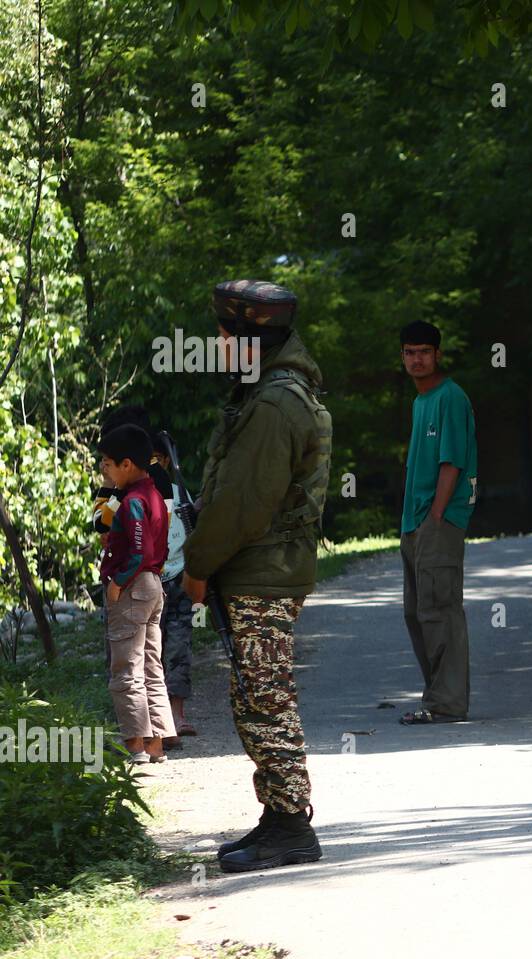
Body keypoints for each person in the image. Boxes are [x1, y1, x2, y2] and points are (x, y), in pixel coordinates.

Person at [181, 280, 332, 874]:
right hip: (259, 568)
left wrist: (197, 566)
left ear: (249, 339)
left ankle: (293, 825)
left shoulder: (273, 404)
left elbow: (243, 501)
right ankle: (277, 818)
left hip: (261, 571)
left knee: (266, 696)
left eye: (223, 335)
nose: (217, 345)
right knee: (253, 694)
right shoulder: (266, 393)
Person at [396, 320, 478, 725]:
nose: (417, 359)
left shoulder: (451, 397)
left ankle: (448, 703)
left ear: (437, 355)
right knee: (416, 612)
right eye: (410, 352)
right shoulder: (420, 400)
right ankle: (436, 697)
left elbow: (453, 461)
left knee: (440, 609)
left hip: (438, 521)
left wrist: (437, 516)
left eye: (424, 352)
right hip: (414, 522)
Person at [97, 423, 175, 764]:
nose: (104, 470)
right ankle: (156, 745)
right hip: (155, 586)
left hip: (133, 587)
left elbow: (139, 550)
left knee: (126, 668)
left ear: (126, 465)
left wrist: (118, 581)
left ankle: (135, 746)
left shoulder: (132, 502)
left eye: (108, 464)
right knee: (150, 666)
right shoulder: (156, 495)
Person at [152, 431, 197, 748]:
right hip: (150, 581)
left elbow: (193, 530)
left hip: (179, 579)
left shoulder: (180, 494)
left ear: (166, 461)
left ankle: (177, 715)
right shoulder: (135, 496)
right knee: (151, 650)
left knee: (179, 648)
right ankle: (154, 721)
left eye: (155, 459)